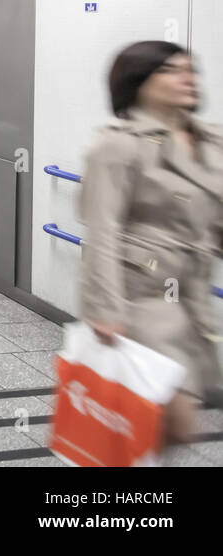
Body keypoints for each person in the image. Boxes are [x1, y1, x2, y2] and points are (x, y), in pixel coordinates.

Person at [77, 40, 223, 445]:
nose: (187, 78)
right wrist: (104, 309)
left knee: (164, 428)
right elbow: (102, 229)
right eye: (171, 70)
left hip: (193, 301)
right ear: (138, 82)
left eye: (190, 69)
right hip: (143, 299)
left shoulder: (211, 141)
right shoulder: (118, 145)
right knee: (166, 421)